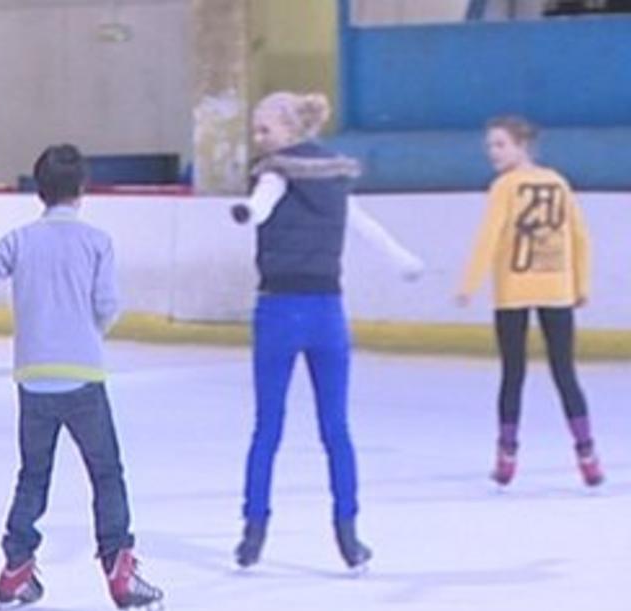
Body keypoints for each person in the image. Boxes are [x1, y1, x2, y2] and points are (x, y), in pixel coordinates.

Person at [0, 144, 164, 611]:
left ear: (40, 191)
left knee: (33, 476)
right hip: (84, 378)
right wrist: (88, 333)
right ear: (82, 191)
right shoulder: (97, 242)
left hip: (33, 380)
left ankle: (16, 568)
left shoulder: (21, 240)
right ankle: (119, 568)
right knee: (106, 473)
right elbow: (108, 306)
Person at [230, 91, 425, 571]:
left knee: (268, 427)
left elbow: (263, 202)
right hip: (327, 312)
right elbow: (366, 228)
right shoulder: (335, 179)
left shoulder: (275, 171)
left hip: (279, 310)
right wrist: (403, 260)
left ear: (291, 130)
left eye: (265, 130)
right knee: (335, 429)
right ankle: (348, 534)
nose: (259, 139)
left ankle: (255, 530)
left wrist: (247, 212)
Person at [456, 116, 603, 488]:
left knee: (515, 373)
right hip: (556, 288)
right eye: (490, 145)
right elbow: (579, 238)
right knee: (563, 372)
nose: (493, 152)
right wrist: (579, 284)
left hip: (514, 291)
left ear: (523, 146)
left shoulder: (505, 187)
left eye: (500, 144)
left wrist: (469, 284)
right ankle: (586, 454)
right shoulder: (558, 183)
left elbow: (488, 238)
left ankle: (508, 454)